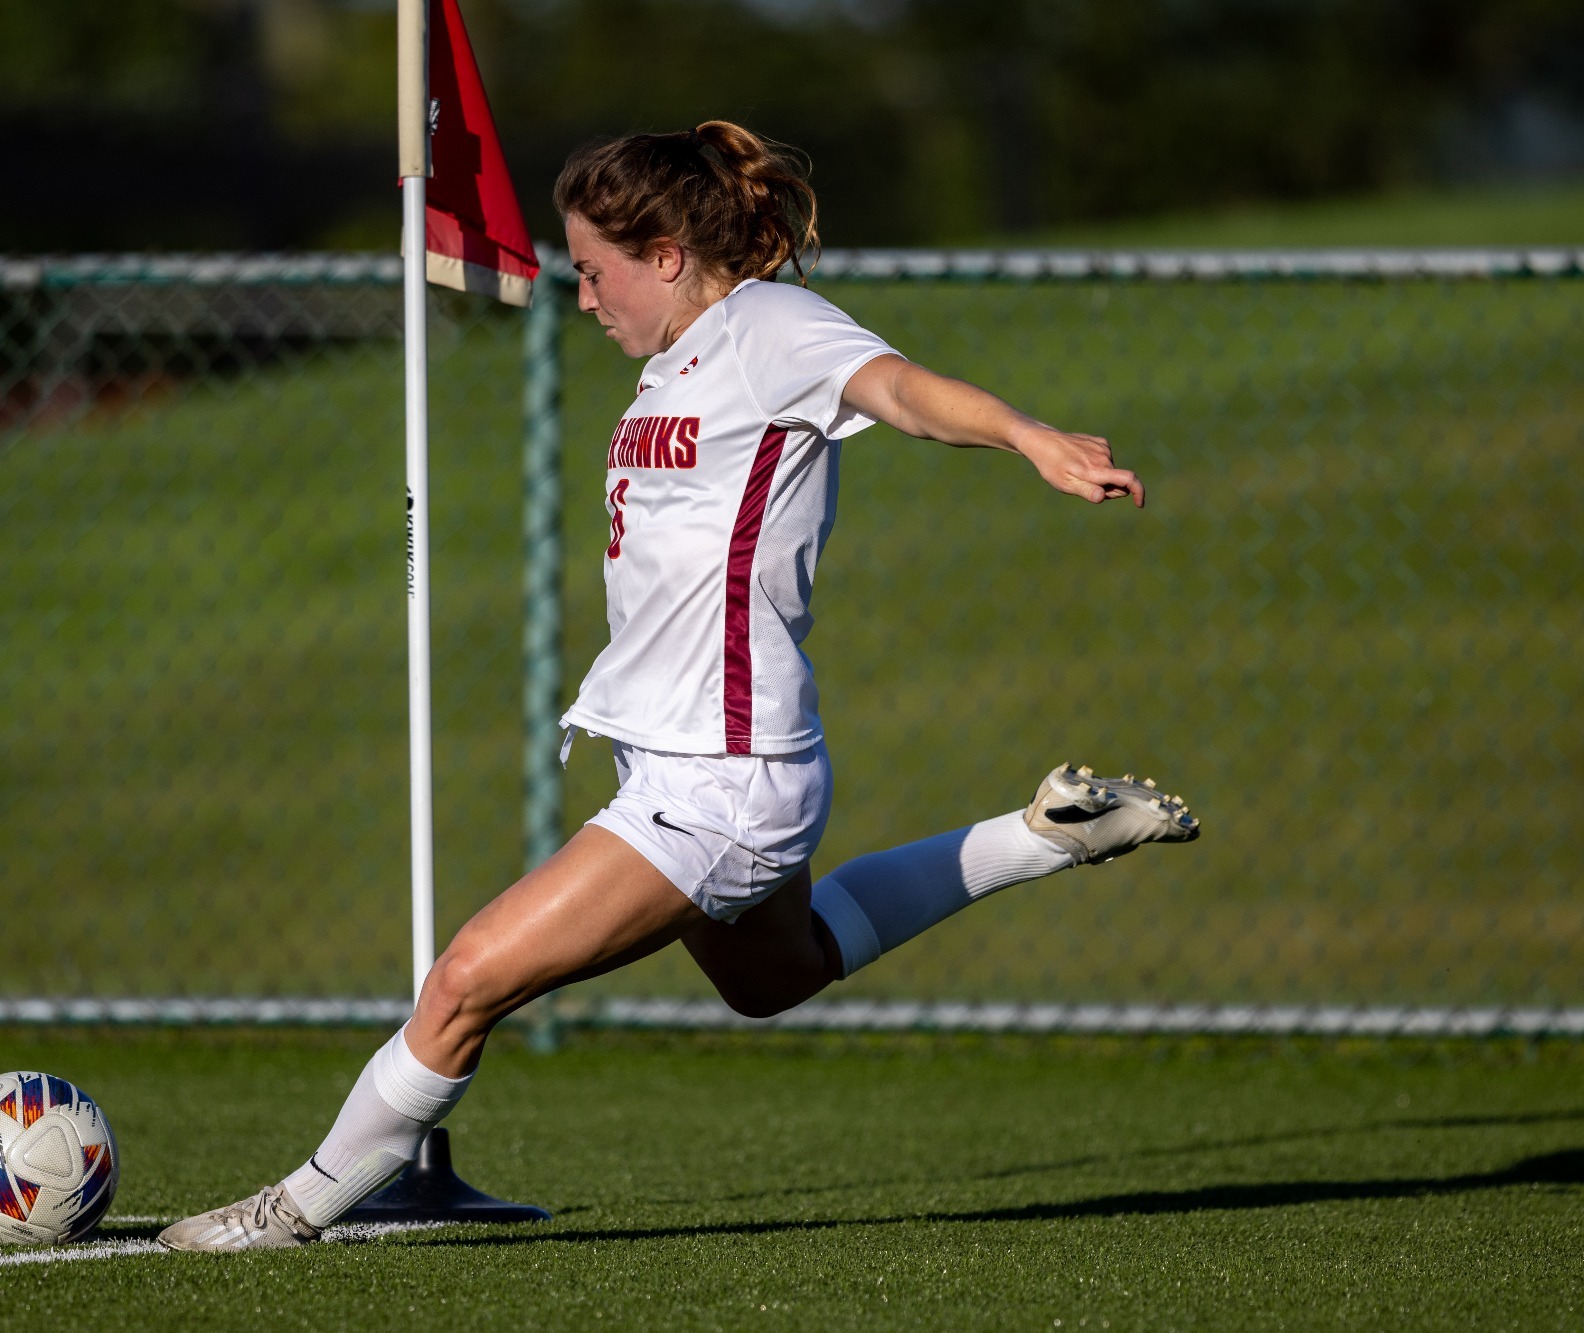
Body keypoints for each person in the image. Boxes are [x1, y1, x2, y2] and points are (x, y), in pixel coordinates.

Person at [159, 121, 1200, 1252]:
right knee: (774, 976)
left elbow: (898, 389)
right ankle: (1042, 834)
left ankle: (288, 1211)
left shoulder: (767, 324)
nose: (585, 298)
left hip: (723, 776)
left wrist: (1024, 434)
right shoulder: (673, 363)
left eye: (594, 271)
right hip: (680, 759)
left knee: (461, 982)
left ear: (665, 255)